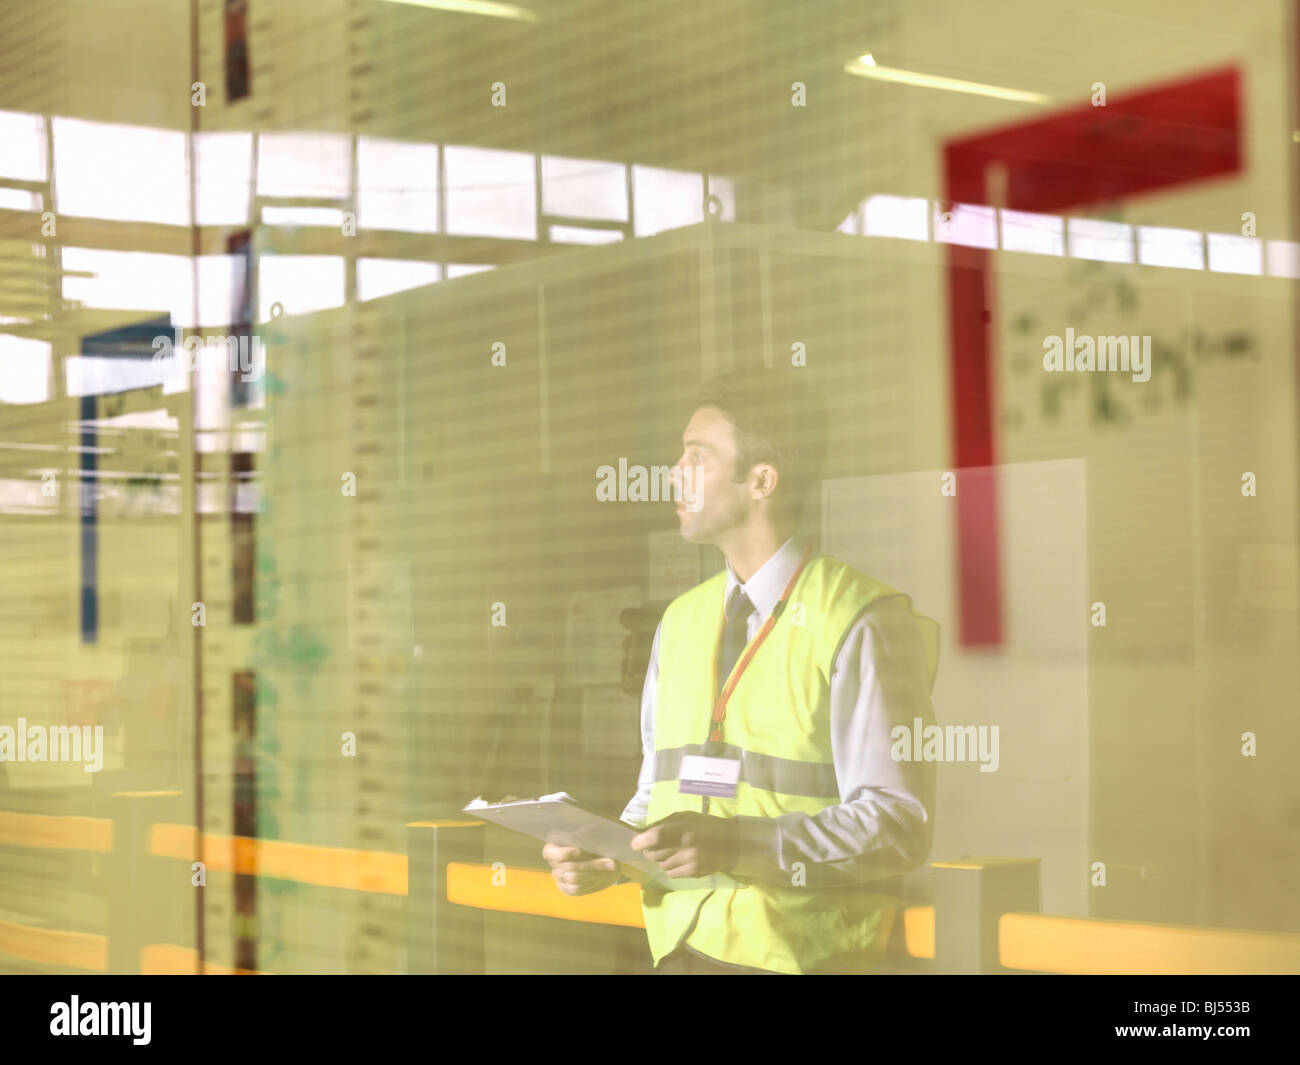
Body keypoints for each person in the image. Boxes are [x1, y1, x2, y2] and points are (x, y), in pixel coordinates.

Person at [544, 367, 939, 974]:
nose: (674, 472)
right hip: (678, 949)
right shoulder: (678, 622)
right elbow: (658, 789)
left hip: (800, 956)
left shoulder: (859, 619)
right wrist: (610, 853)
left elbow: (897, 823)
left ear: (761, 480)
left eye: (696, 457)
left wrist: (741, 846)